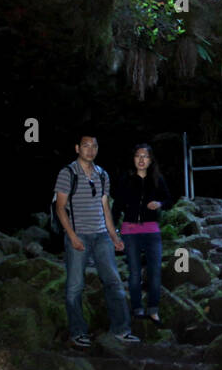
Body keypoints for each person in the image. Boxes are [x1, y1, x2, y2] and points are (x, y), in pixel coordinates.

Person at [54, 133, 134, 347]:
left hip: (101, 236)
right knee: (75, 286)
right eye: (85, 145)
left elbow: (105, 207)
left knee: (114, 282)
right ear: (77, 148)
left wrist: (114, 236)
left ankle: (121, 329)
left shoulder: (102, 174)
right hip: (78, 235)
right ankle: (78, 332)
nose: (90, 149)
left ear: (97, 150)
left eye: (94, 146)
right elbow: (60, 208)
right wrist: (71, 236)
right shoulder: (67, 173)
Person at [114, 143, 177, 323]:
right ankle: (137, 308)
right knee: (134, 273)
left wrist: (159, 204)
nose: (141, 159)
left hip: (151, 230)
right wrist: (114, 233)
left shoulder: (157, 179)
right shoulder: (126, 179)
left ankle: (153, 309)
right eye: (138, 156)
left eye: (145, 156)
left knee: (155, 271)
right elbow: (116, 207)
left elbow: (169, 200)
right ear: (134, 159)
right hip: (130, 230)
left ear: (150, 161)